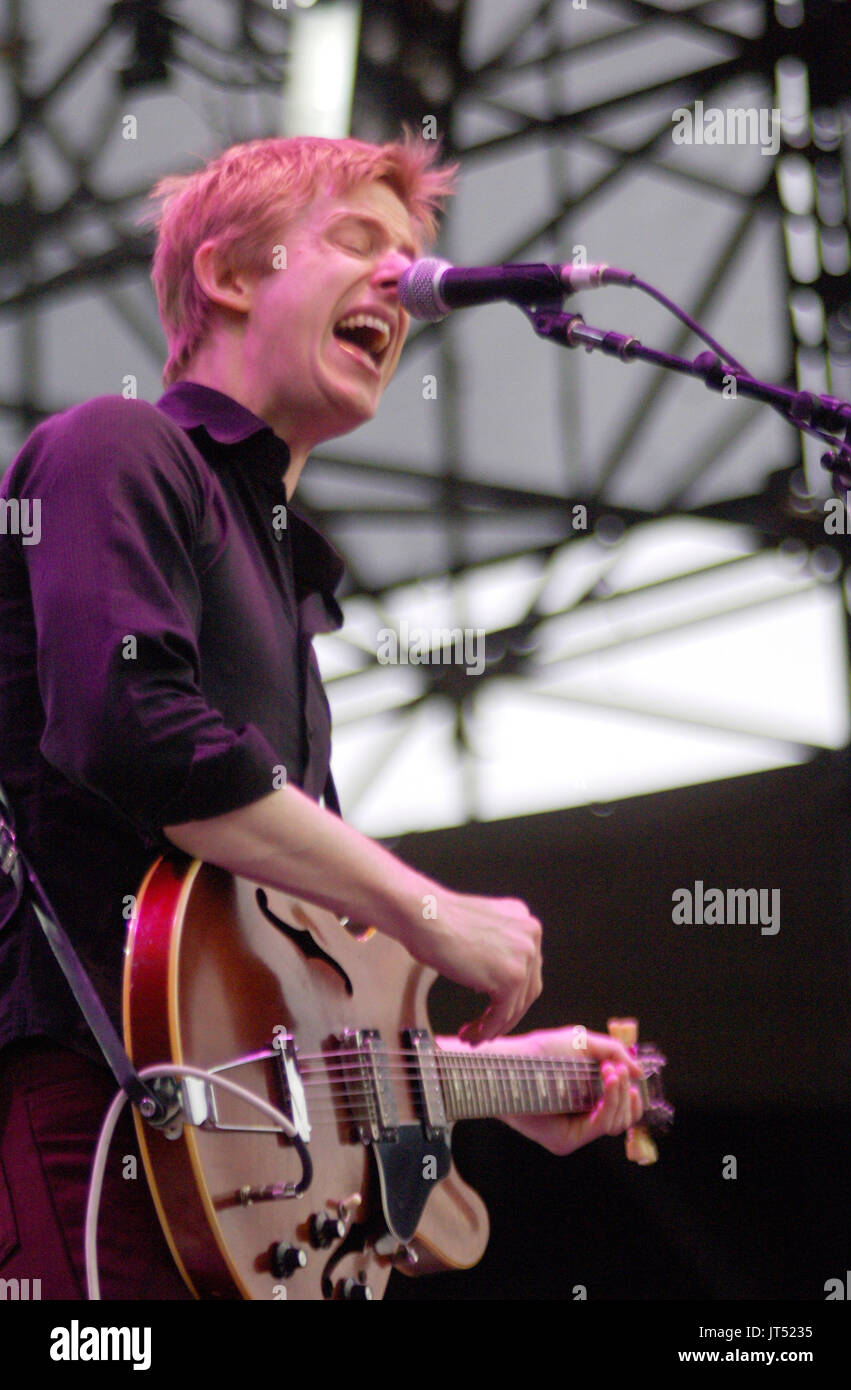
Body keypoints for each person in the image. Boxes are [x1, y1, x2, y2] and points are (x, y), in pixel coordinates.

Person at [0, 133, 643, 1300]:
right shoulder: (115, 445)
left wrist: (490, 1080)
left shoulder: (285, 594)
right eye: (360, 244)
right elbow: (129, 727)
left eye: (410, 259)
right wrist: (428, 910)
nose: (401, 285)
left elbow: (294, 1024)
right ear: (231, 276)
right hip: (98, 1126)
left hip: (222, 1172)